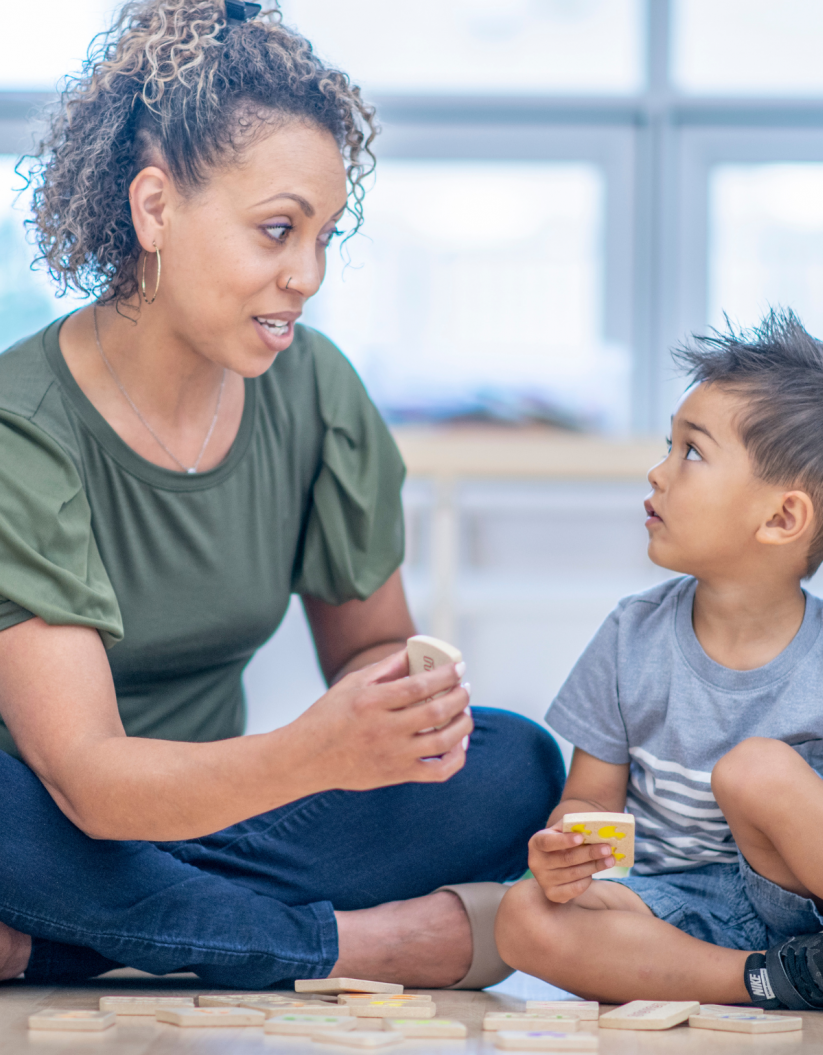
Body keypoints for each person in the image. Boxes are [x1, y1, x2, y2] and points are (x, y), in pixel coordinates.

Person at [0, 0, 564, 991]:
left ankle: (75, 941)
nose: (304, 276)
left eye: (323, 237)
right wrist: (309, 757)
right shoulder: (22, 425)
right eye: (275, 231)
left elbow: (372, 651)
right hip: (49, 812)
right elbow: (86, 780)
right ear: (155, 210)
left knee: (511, 765)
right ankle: (347, 946)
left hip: (215, 817)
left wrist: (398, 714)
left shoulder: (313, 387)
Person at [497, 310, 823, 1010]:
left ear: (781, 519)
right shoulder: (631, 636)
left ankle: (808, 959)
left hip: (808, 904)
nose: (657, 472)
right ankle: (775, 979)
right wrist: (567, 852)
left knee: (756, 770)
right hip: (666, 908)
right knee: (521, 918)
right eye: (668, 445)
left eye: (690, 452)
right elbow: (589, 801)